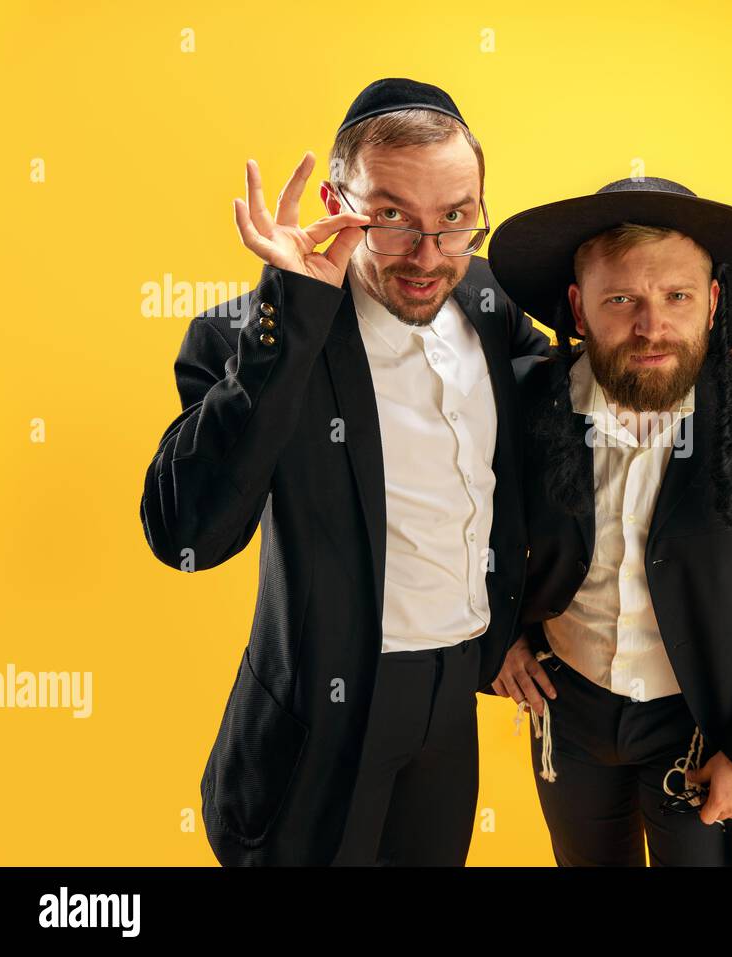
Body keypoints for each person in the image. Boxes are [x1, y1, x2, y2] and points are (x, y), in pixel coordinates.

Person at [139, 78, 552, 865]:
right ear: (336, 200)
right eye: (391, 218)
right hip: (321, 718)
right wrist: (289, 314)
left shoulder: (492, 298)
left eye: (456, 219)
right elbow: (186, 533)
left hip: (454, 699)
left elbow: (559, 412)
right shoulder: (246, 334)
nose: (430, 257)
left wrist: (710, 373)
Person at [486, 177, 732, 865]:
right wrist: (498, 639)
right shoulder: (526, 402)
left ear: (713, 304)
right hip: (569, 711)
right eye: (620, 299)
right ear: (579, 307)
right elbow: (475, 530)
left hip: (707, 721)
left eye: (677, 296)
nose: (651, 327)